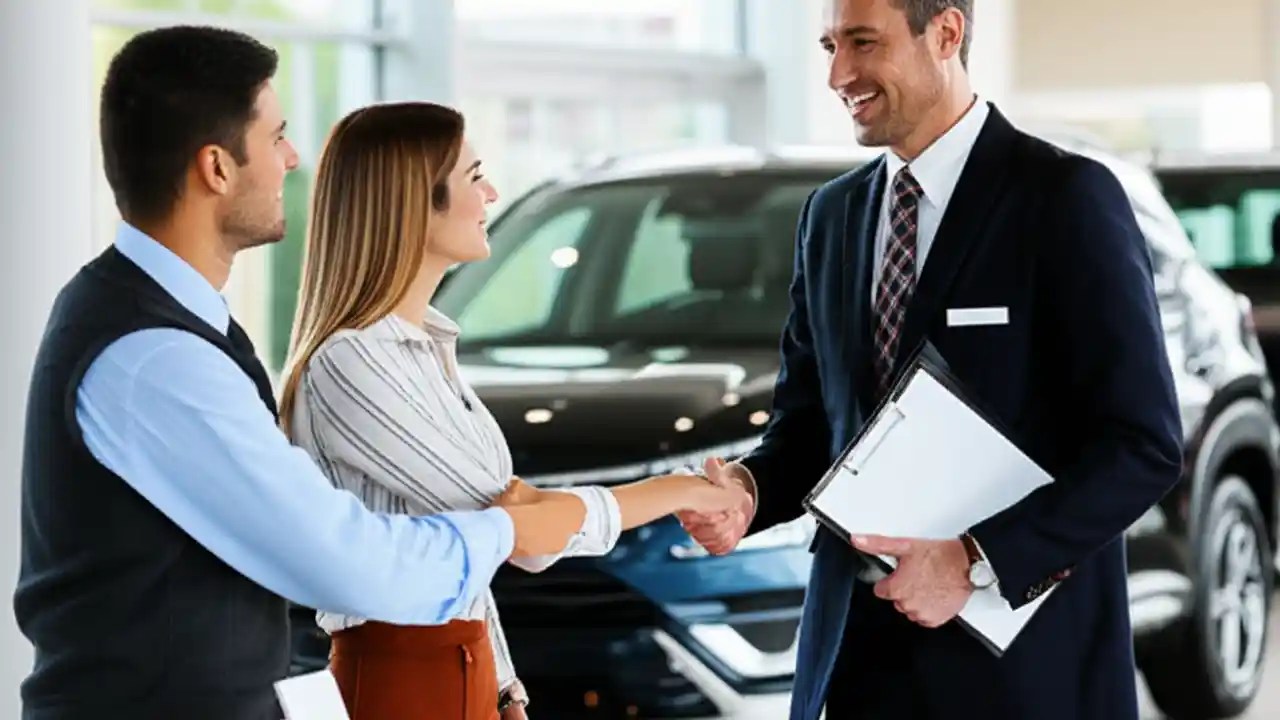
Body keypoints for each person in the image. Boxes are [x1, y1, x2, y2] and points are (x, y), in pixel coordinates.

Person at [14, 26, 595, 720]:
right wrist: (510, 529)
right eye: (277, 136)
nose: (293, 159)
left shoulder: (171, 326)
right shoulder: (154, 358)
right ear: (217, 168)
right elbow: (342, 559)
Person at [679, 1, 1183, 719]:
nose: (837, 74)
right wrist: (749, 493)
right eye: (829, 45)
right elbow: (813, 427)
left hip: (1021, 666)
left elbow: (1143, 447)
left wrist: (975, 560)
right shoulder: (831, 216)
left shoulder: (1063, 198)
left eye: (862, 43)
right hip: (856, 658)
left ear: (945, 33)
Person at [277, 100, 752, 720]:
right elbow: (514, 527)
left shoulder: (426, 348)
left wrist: (503, 683)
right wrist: (679, 490)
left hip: (460, 665)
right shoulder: (351, 362)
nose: (492, 194)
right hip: (400, 679)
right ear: (414, 203)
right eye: (475, 178)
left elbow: (495, 546)